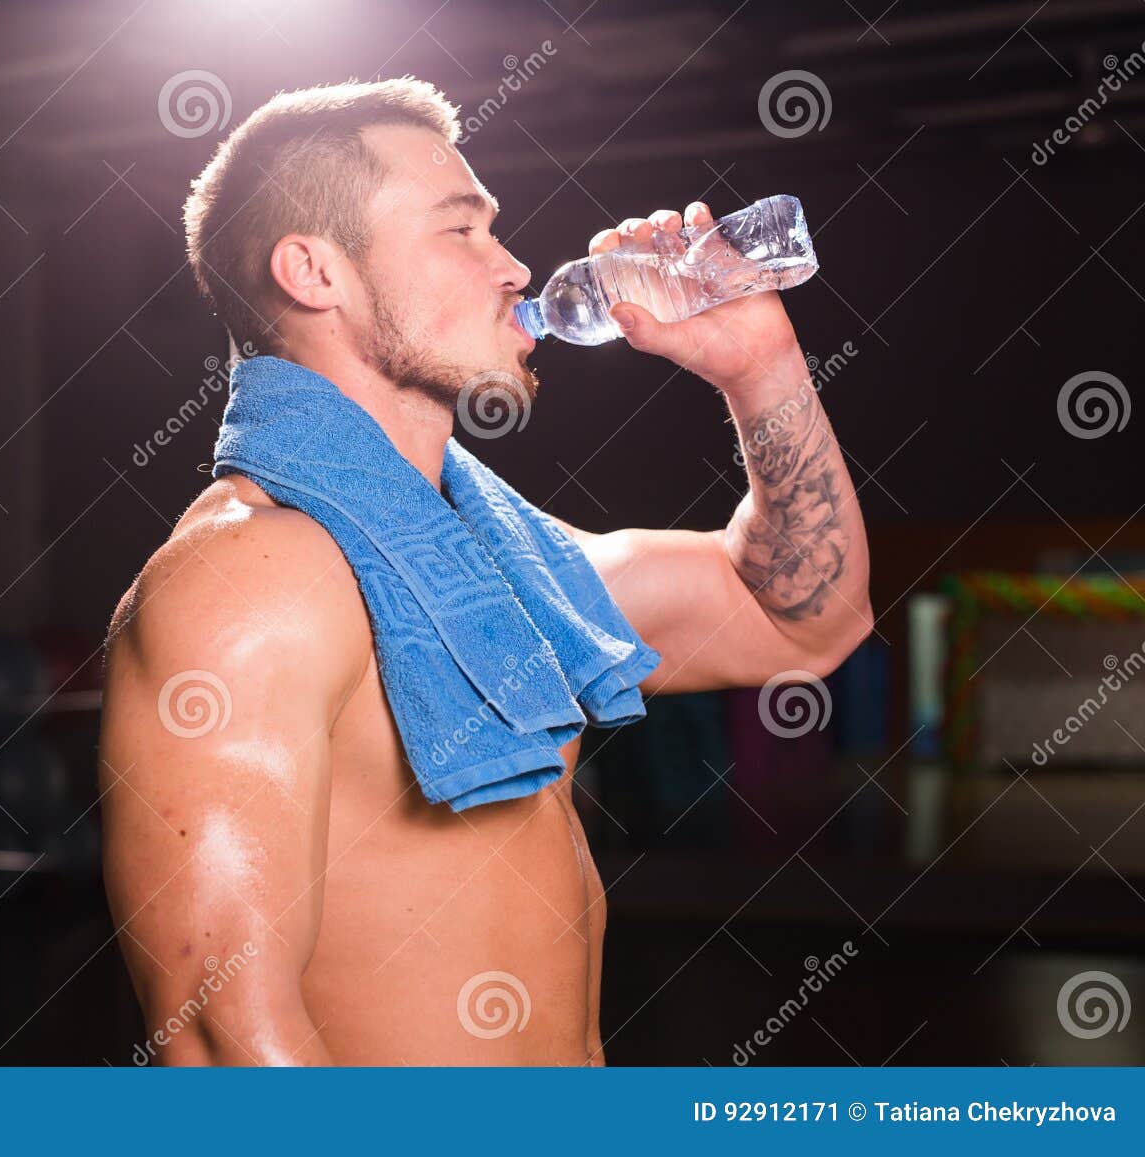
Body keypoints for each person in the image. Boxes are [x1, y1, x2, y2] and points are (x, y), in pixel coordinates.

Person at [98, 77, 872, 1065]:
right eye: (459, 232)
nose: (512, 265)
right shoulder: (249, 580)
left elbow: (807, 618)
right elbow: (222, 1035)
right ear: (313, 270)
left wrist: (757, 367)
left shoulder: (502, 569)